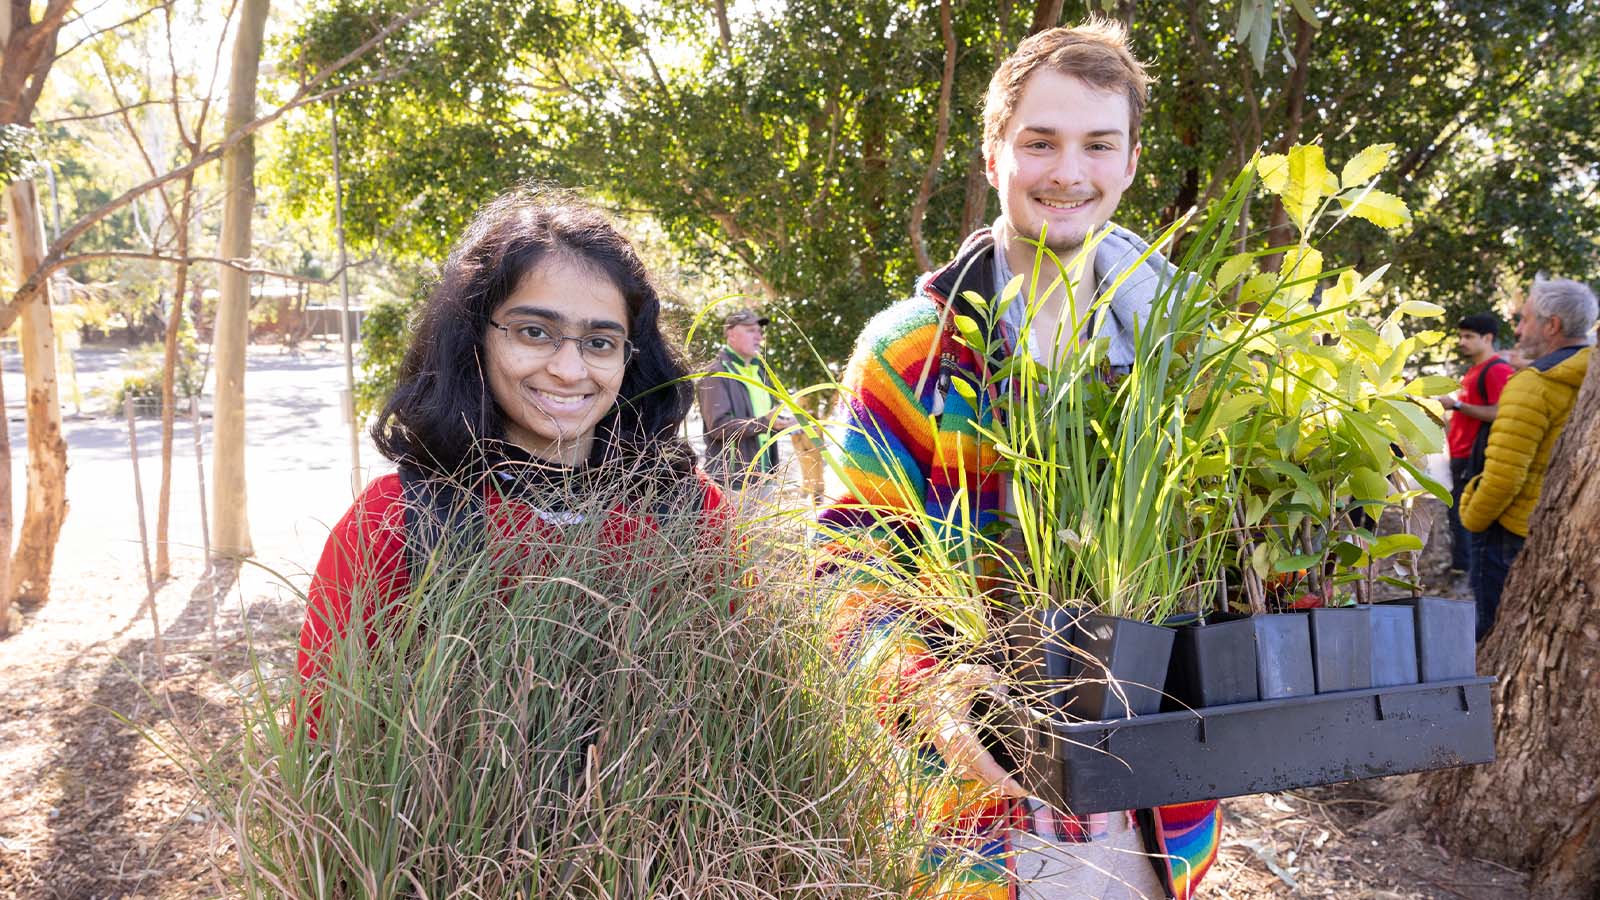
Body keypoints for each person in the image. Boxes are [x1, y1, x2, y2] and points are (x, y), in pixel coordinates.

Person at [818, 20, 1218, 900]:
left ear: (1130, 162)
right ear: (995, 154)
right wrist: (921, 691)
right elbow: (848, 557)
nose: (1068, 171)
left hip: (1156, 811)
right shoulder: (914, 350)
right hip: (971, 807)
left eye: (1096, 144)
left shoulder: (1185, 353)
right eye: (1040, 142)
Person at [298, 191, 726, 733]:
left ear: (630, 357)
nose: (569, 370)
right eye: (534, 332)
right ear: (473, 338)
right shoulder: (398, 522)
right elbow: (322, 742)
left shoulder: (689, 511)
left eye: (599, 341)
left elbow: (748, 716)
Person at [1460, 279, 1596, 640]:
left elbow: (1503, 477)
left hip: (1510, 531)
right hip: (1567, 527)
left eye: (1525, 320)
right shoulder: (1588, 375)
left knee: (1496, 632)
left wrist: (1471, 518)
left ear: (1552, 326)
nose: (1517, 331)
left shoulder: (1533, 385)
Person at [1440, 314, 1513, 574]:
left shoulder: (1497, 370)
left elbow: (1499, 412)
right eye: (1461, 336)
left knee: (1464, 513)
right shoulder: (1474, 371)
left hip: (1475, 456)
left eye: (1469, 336)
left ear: (1488, 338)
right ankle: (1463, 567)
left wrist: (1456, 404)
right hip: (1460, 452)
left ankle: (1468, 570)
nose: (1462, 342)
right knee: (1456, 511)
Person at [696, 309, 795, 494]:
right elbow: (718, 427)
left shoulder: (760, 373)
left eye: (760, 331)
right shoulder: (716, 374)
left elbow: (766, 419)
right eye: (750, 330)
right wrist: (765, 422)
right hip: (732, 486)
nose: (758, 336)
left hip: (766, 481)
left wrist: (789, 423)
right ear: (731, 334)